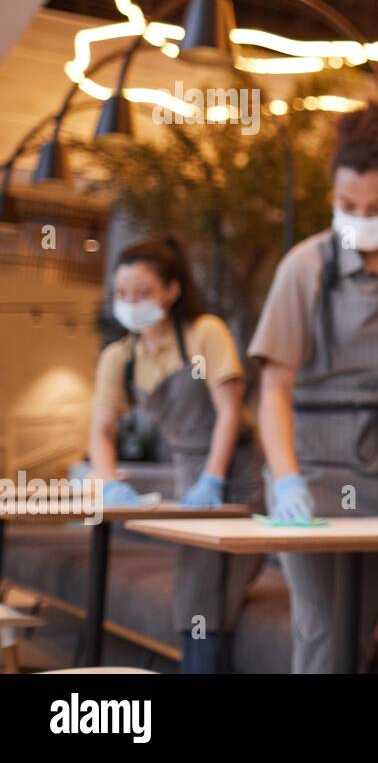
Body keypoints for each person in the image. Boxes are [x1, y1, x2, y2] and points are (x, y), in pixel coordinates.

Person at [248, 100, 378, 673]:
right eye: (346, 206)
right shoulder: (303, 268)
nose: (361, 218)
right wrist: (286, 479)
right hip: (309, 470)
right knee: (321, 626)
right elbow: (272, 387)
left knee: (360, 627)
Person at [88, 236, 264, 673]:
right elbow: (101, 430)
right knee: (198, 588)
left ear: (172, 290)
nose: (131, 303)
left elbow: (228, 413)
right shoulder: (120, 358)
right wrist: (111, 483)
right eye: (122, 294)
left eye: (143, 292)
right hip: (190, 479)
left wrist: (214, 479)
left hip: (238, 474)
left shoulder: (205, 334)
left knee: (204, 591)